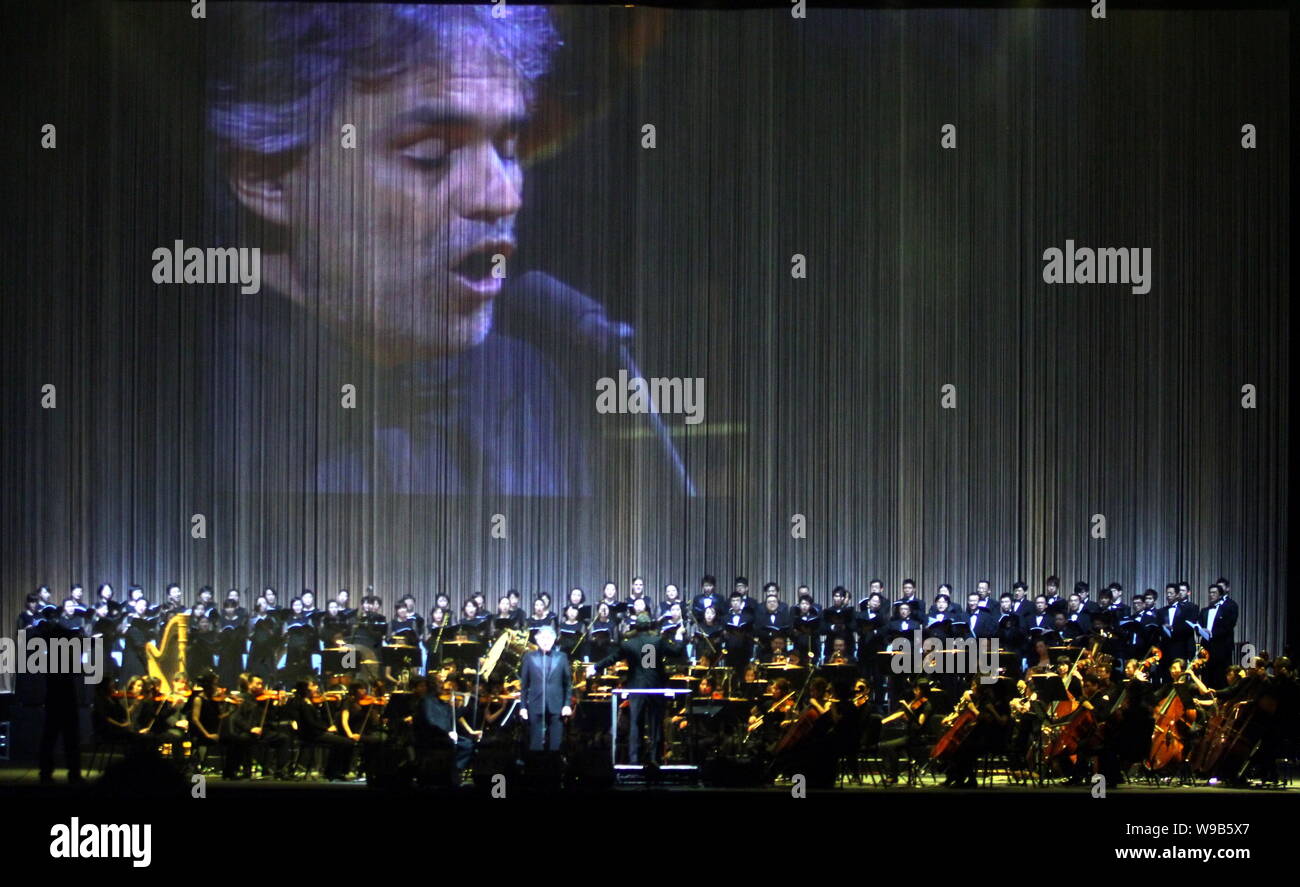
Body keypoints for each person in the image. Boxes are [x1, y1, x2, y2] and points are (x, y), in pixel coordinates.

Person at [589, 612, 685, 765]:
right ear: (649, 626)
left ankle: (634, 760)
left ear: (636, 628)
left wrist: (595, 667)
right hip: (655, 687)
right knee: (655, 724)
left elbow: (612, 658)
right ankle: (655, 759)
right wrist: (679, 636)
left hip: (636, 688)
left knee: (635, 723)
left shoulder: (629, 644)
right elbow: (676, 651)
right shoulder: (657, 641)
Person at [518, 625, 573, 751]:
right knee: (535, 745)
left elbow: (568, 684)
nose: (545, 641)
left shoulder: (562, 657)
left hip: (556, 705)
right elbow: (524, 685)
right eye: (542, 638)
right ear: (537, 640)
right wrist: (522, 707)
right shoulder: (529, 657)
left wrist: (567, 704)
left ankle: (555, 768)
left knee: (555, 745)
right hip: (535, 705)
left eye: (549, 638)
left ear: (554, 640)